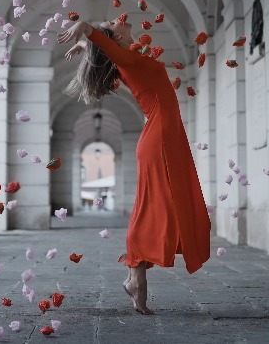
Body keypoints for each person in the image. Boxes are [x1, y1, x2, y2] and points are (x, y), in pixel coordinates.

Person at [58, 19, 211, 315]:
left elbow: (108, 53)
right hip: (160, 139)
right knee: (155, 209)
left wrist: (89, 43)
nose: (120, 19)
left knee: (156, 207)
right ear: (114, 37)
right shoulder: (125, 58)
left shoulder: (127, 62)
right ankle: (135, 275)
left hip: (163, 137)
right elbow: (105, 44)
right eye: (113, 23)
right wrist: (85, 29)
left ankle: (134, 278)